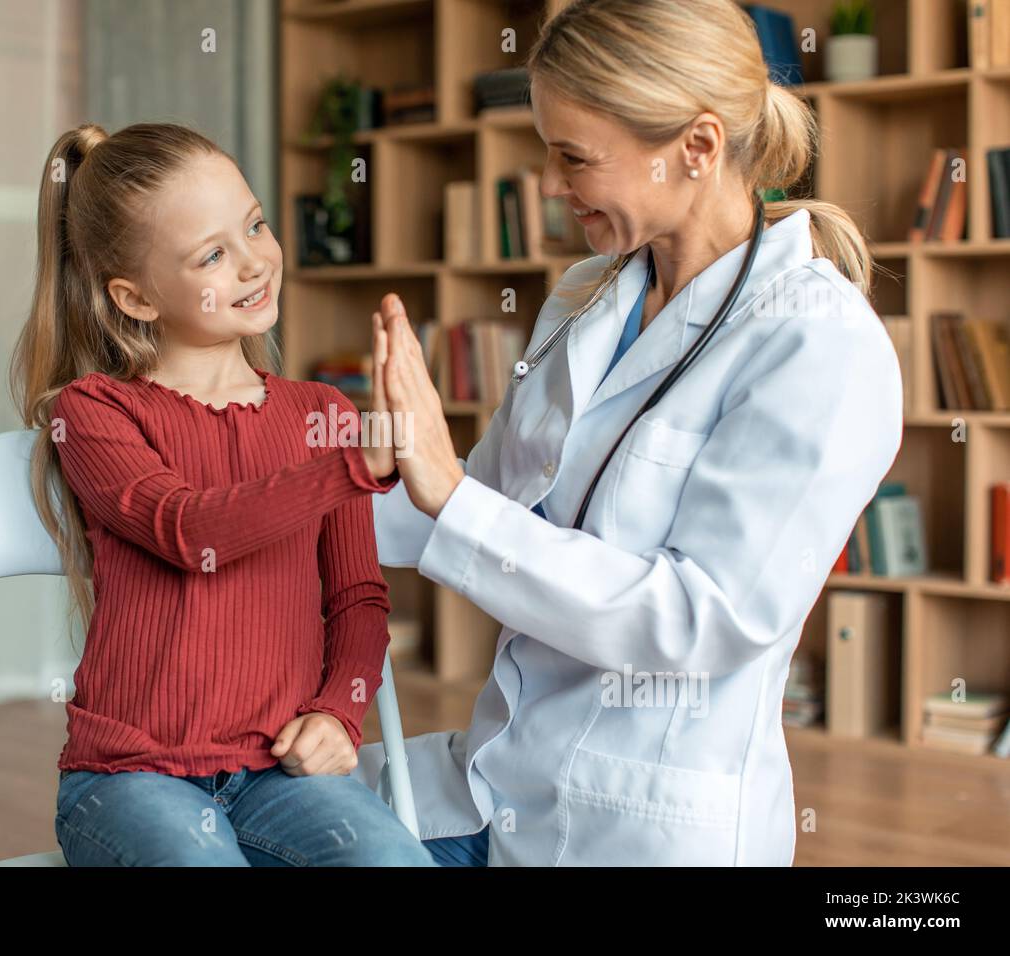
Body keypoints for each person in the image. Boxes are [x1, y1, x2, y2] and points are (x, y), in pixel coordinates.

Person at [353, 0, 904, 866]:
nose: (546, 183)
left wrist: (450, 495)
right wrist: (312, 497)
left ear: (698, 146)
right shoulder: (583, 298)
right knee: (261, 816)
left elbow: (698, 620)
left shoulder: (818, 342)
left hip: (636, 825)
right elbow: (481, 504)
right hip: (500, 776)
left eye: (573, 157)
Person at [10, 122, 434, 866]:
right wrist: (348, 465)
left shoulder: (319, 415)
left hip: (278, 773)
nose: (253, 263)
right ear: (135, 298)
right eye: (213, 254)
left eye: (256, 226)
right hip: (129, 778)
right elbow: (185, 530)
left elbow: (358, 599)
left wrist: (340, 711)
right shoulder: (95, 411)